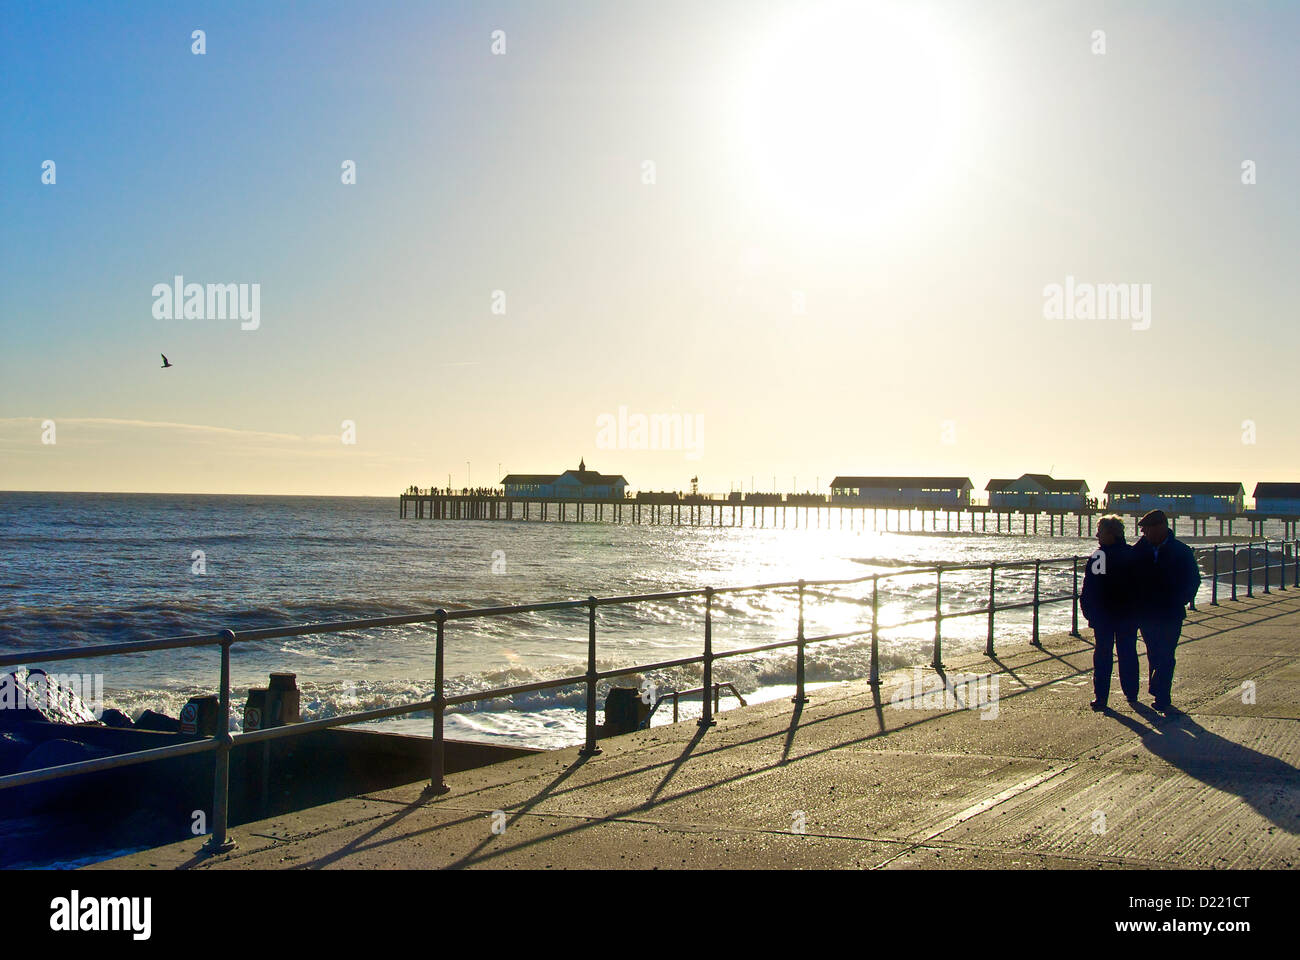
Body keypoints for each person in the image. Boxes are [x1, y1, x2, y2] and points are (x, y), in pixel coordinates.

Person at [1131, 510, 1201, 712]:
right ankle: (1158, 689)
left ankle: (1162, 696)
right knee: (1154, 652)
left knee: (1167, 653)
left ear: (1160, 527)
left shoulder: (1181, 550)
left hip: (1171, 612)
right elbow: (1129, 578)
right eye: (1142, 530)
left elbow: (1193, 579)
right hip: (1146, 612)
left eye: (1147, 529)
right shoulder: (1138, 551)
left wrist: (1181, 599)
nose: (1144, 533)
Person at [1080, 515, 1138, 711]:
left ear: (1111, 533)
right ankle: (1131, 693)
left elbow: (1091, 586)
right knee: (1127, 652)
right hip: (1126, 614)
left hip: (1105, 614)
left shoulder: (1101, 556)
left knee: (1103, 655)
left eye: (1101, 531)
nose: (1097, 535)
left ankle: (1102, 698)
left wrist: (1088, 611)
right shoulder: (1131, 554)